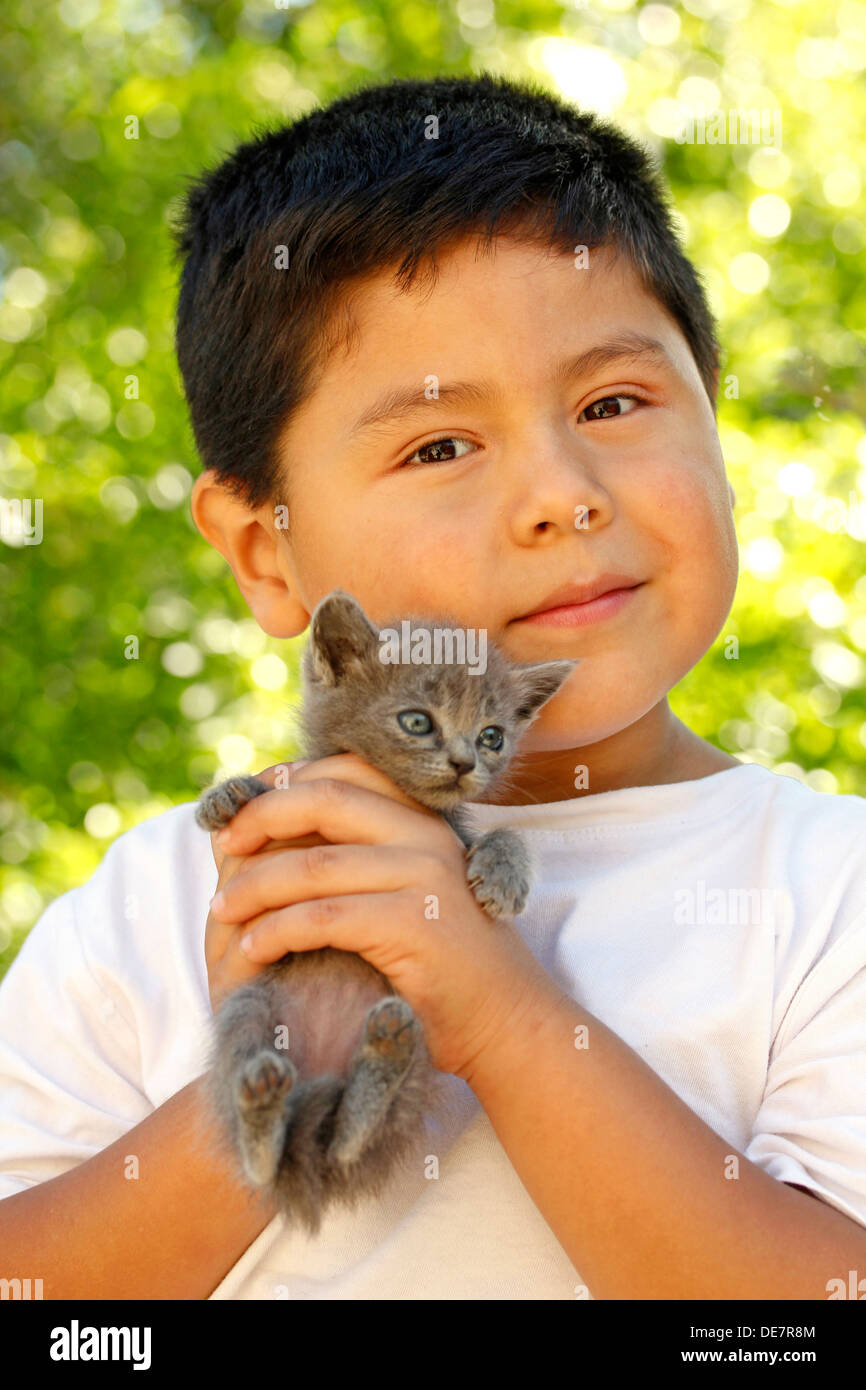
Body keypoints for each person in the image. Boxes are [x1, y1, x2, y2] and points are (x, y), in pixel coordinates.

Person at [2, 73, 865, 1301]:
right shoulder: (159, 904)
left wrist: (503, 1018)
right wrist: (275, 1076)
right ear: (265, 551)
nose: (560, 493)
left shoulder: (828, 893)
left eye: (612, 402)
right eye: (439, 445)